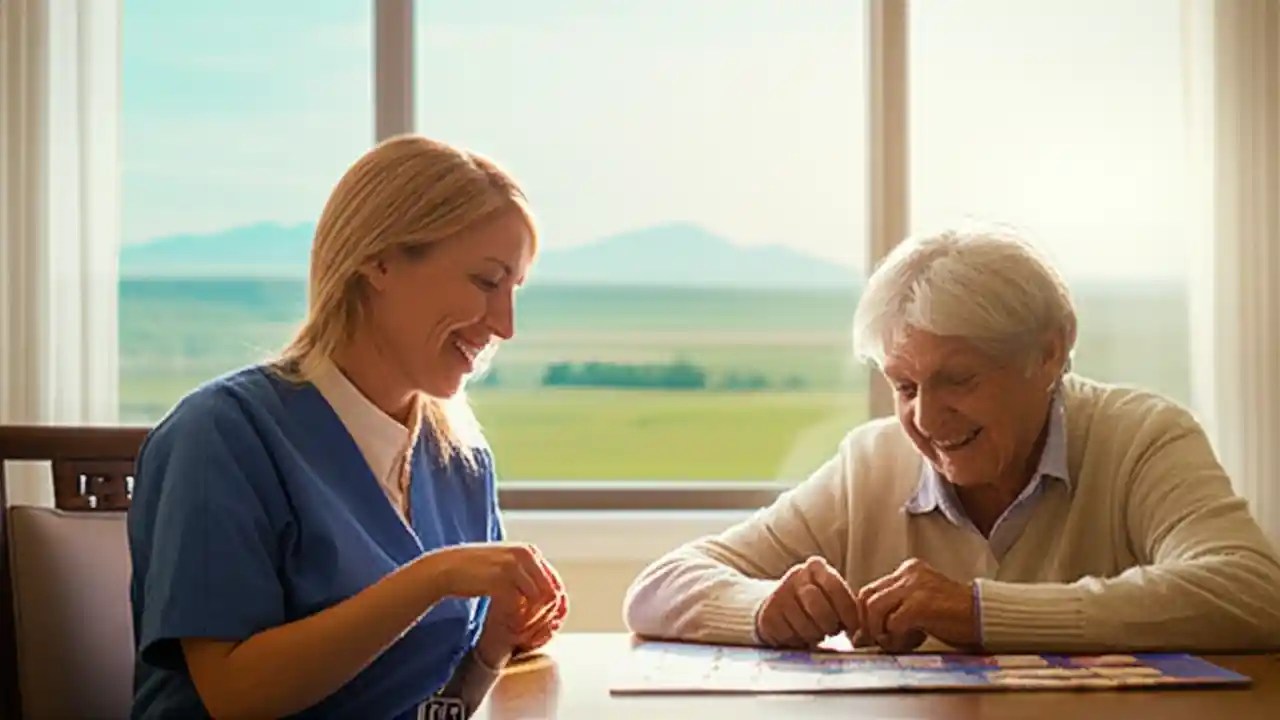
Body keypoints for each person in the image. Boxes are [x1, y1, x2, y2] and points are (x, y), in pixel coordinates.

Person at [624, 227, 1280, 654]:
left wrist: (981, 614)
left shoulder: (1142, 437)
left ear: (1049, 355)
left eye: (958, 379)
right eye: (904, 386)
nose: (929, 418)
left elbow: (1251, 593)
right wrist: (766, 609)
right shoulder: (873, 462)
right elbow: (658, 589)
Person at [127, 135, 568, 719]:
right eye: (486, 282)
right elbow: (235, 695)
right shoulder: (220, 437)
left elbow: (438, 704)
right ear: (379, 260)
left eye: (514, 291)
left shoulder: (459, 458)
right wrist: (433, 578)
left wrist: (494, 644)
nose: (505, 325)